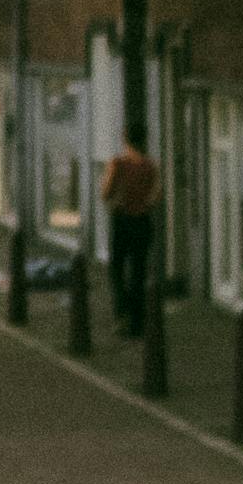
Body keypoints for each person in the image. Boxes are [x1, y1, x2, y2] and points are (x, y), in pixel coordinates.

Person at [101, 134, 161, 336]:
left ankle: (122, 313)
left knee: (117, 269)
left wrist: (114, 197)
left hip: (122, 220)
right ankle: (137, 321)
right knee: (139, 270)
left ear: (126, 141)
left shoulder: (118, 164)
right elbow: (156, 196)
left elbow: (106, 193)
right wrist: (144, 204)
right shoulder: (151, 166)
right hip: (142, 221)